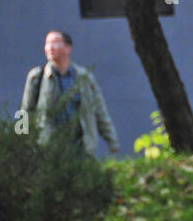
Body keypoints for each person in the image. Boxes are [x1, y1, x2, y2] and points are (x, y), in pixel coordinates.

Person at [21, 30, 119, 158]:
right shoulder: (37, 76)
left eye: (55, 43)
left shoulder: (84, 77)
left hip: (81, 146)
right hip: (49, 147)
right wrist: (20, 141)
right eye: (47, 43)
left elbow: (99, 110)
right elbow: (24, 110)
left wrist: (112, 141)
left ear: (68, 48)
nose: (49, 47)